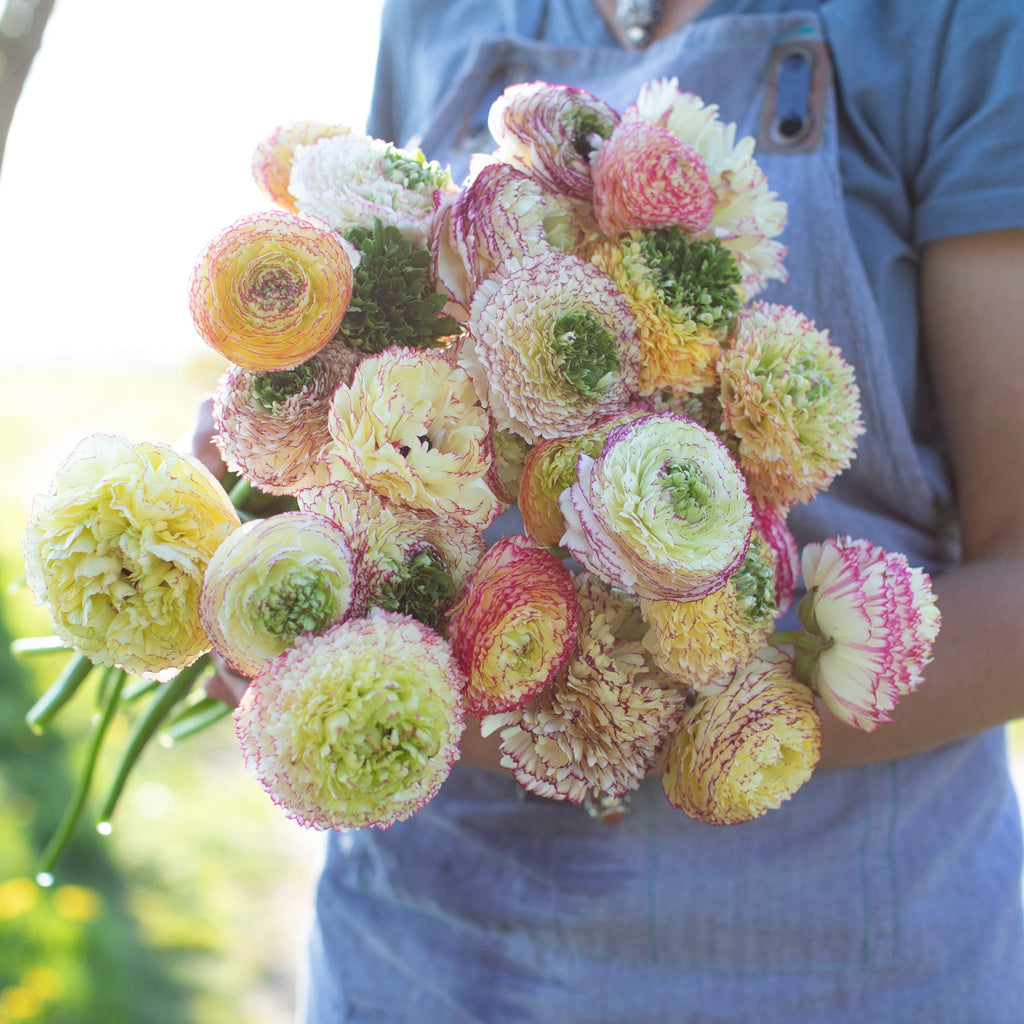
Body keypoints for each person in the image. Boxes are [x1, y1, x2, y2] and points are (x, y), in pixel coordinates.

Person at [291, 1, 1024, 1021]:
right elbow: (375, 354)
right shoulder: (433, 15)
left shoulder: (956, 24)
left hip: (837, 957)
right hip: (420, 950)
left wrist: (597, 715)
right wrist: (286, 478)